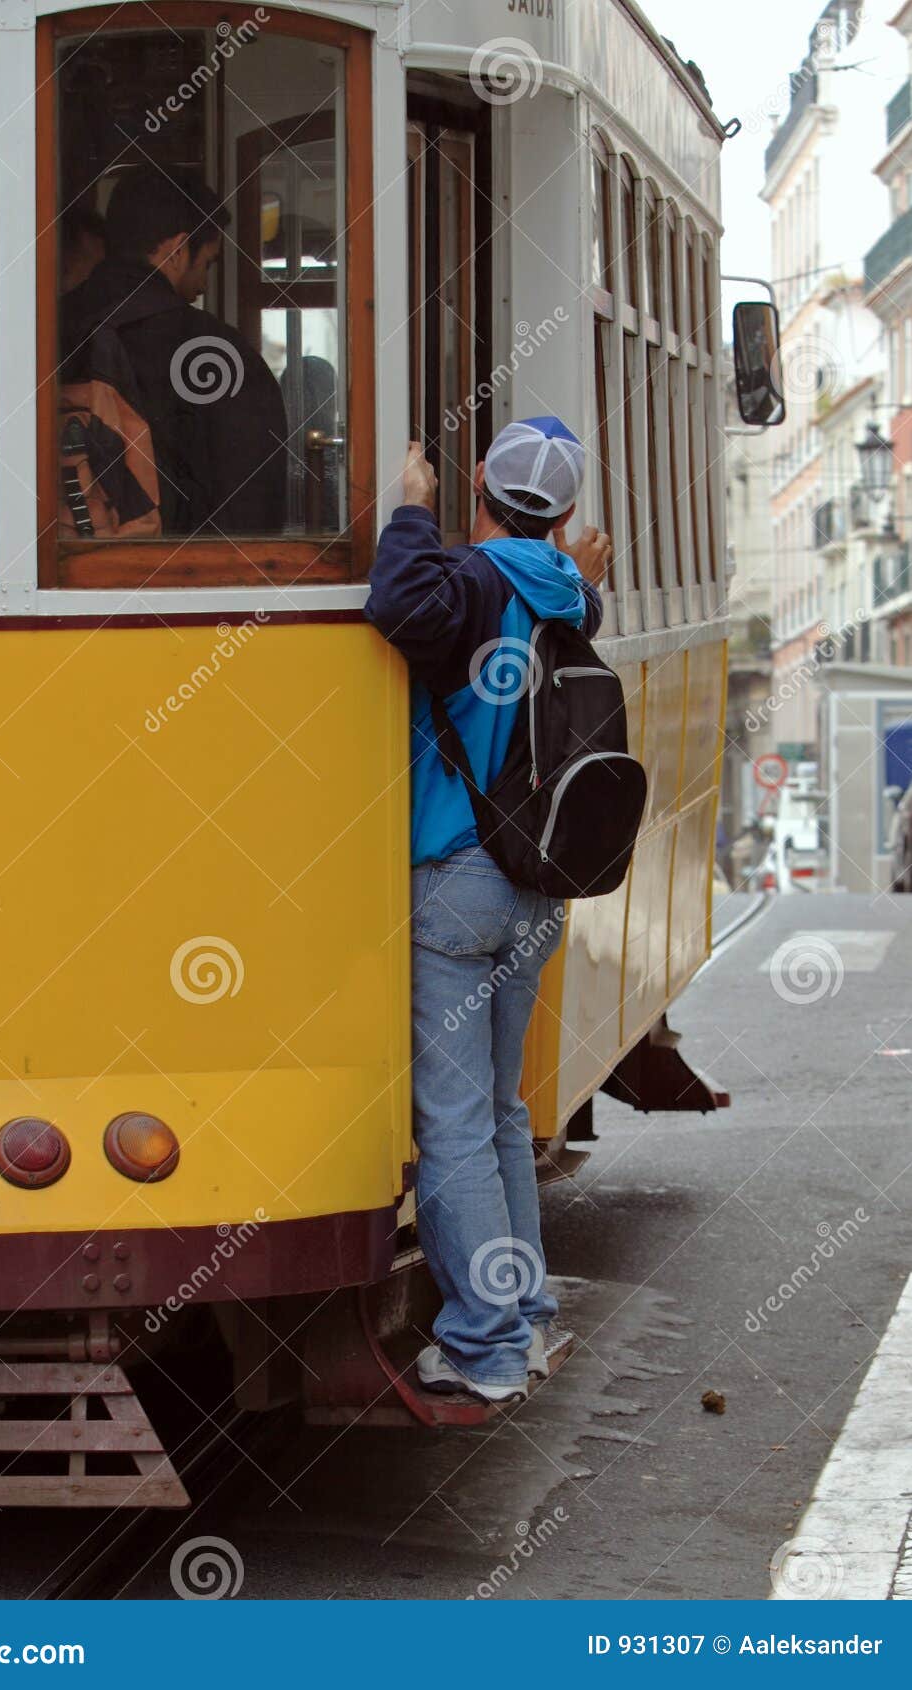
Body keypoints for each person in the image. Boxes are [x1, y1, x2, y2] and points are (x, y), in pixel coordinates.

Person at [365, 417, 612, 1405]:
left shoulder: (467, 582)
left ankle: (484, 1343)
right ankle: (527, 1307)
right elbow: (576, 590)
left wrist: (408, 508)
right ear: (562, 513)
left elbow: (397, 600)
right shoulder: (567, 594)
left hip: (456, 881)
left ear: (481, 487)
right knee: (505, 1113)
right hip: (535, 885)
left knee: (457, 1123)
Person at [62, 169, 287, 536]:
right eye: (208, 263)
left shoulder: (44, 332)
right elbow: (254, 512)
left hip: (67, 569)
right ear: (179, 249)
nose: (203, 283)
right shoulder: (219, 353)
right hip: (184, 579)